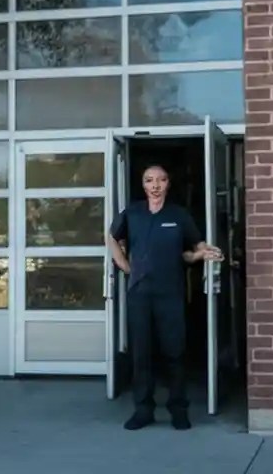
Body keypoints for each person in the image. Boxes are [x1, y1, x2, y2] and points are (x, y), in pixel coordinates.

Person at [106, 164, 222, 431]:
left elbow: (192, 249)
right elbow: (112, 237)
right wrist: (125, 266)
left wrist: (202, 253)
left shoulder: (179, 215)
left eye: (161, 179)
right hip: (140, 294)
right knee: (142, 353)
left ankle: (178, 409)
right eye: (149, 180)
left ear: (168, 183)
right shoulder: (133, 213)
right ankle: (143, 410)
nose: (155, 185)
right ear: (144, 185)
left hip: (170, 293)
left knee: (175, 352)